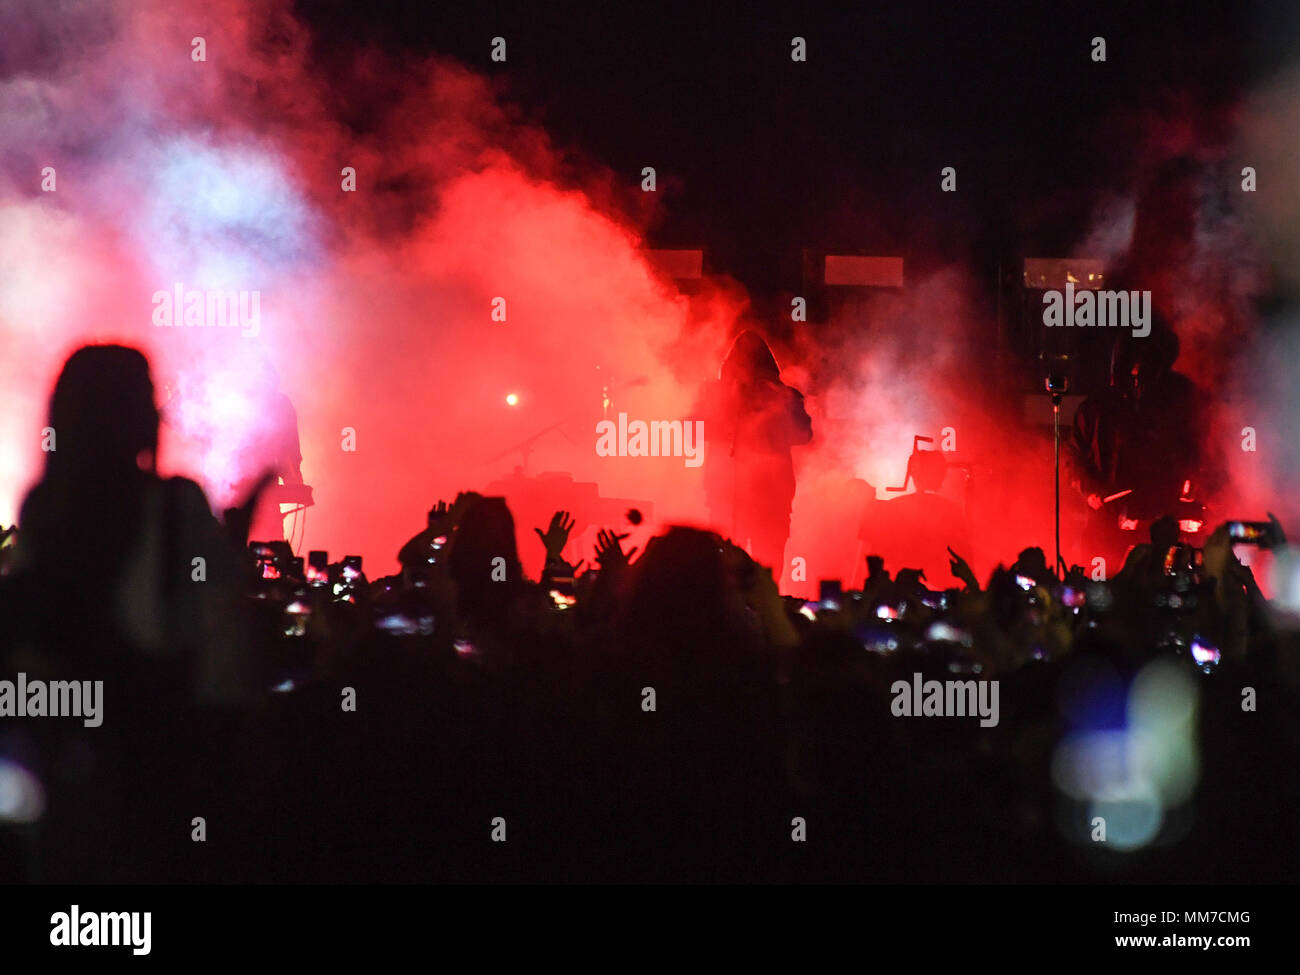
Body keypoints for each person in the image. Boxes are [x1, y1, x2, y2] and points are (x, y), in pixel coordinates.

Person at [1064, 327, 1206, 566]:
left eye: (1145, 372)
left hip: (1157, 523)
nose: (1137, 380)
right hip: (1107, 521)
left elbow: (1193, 453)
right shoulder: (1095, 409)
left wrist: (1191, 480)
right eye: (1132, 374)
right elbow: (1073, 457)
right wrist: (1089, 491)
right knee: (1102, 577)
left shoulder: (1172, 408)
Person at [697, 330, 812, 577]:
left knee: (764, 559)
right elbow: (694, 426)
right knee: (740, 561)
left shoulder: (783, 396)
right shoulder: (719, 395)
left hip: (766, 495)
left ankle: (759, 596)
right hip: (733, 493)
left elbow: (805, 434)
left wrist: (775, 408)